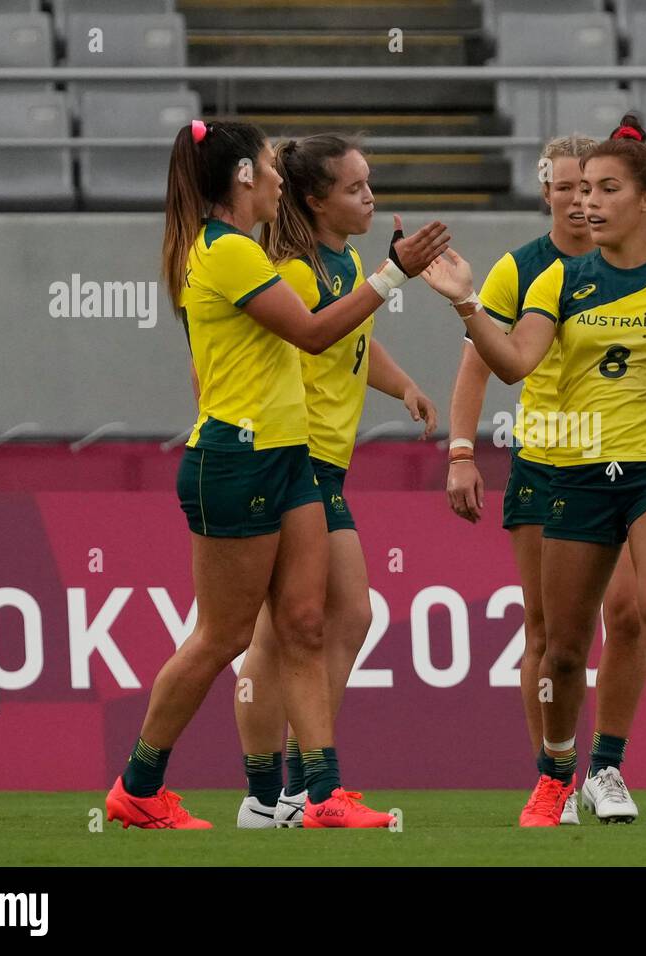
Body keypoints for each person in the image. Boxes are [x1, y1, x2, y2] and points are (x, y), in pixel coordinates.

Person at [104, 119, 448, 829]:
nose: (278, 176)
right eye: (267, 164)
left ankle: (318, 797)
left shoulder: (247, 253)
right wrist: (396, 273)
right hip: (237, 460)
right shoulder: (229, 254)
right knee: (222, 637)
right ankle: (140, 786)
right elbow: (316, 333)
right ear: (241, 179)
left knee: (305, 625)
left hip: (289, 459)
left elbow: (315, 340)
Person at [423, 113, 646, 827]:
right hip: (568, 474)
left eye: (605, 189)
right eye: (580, 191)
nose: (588, 203)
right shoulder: (555, 278)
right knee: (563, 652)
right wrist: (465, 302)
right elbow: (509, 363)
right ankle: (555, 777)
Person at [233, 133, 438, 829]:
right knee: (289, 630)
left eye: (369, 182)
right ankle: (281, 794)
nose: (369, 196)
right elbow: (316, 333)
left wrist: (401, 383)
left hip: (324, 467)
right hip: (291, 462)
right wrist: (395, 275)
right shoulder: (287, 271)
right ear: (316, 199)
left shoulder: (345, 260)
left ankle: (281, 795)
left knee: (325, 621)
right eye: (354, 188)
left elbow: (351, 335)